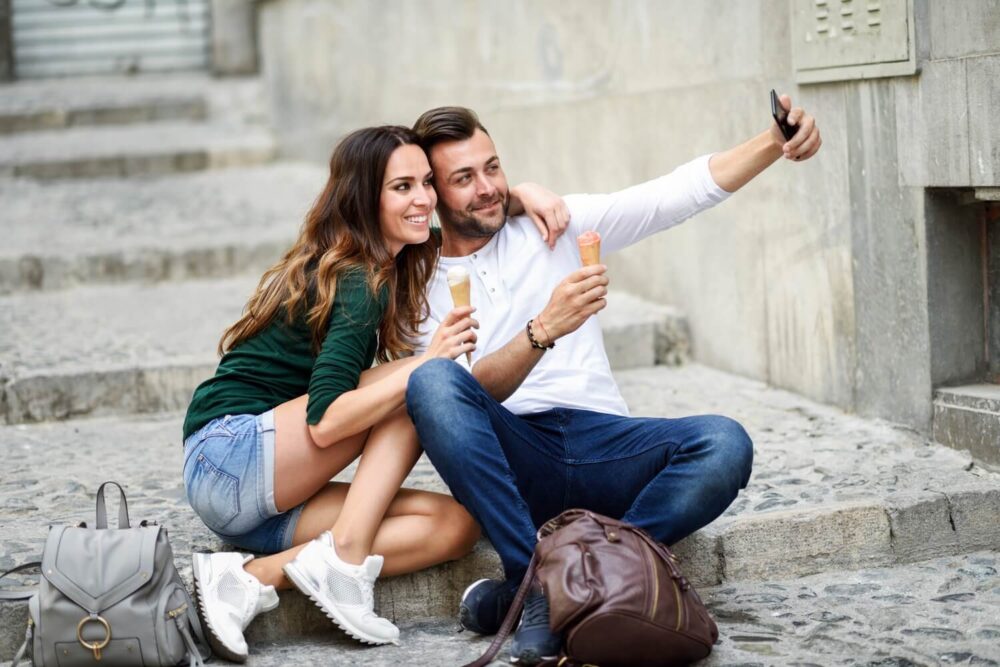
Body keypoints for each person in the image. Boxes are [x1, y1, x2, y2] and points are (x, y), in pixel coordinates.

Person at [404, 100, 821, 665]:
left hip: (606, 447)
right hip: (513, 460)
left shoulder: (555, 226)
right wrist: (543, 330)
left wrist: (774, 141)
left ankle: (541, 591)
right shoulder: (416, 284)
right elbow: (468, 398)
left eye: (494, 168)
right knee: (432, 383)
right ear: (432, 193)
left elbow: (670, 195)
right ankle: (537, 574)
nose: (488, 188)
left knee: (724, 443)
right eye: (464, 178)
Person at [181, 125, 566, 661]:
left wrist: (521, 194)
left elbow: (468, 221)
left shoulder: (389, 259)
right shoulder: (358, 280)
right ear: (366, 198)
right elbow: (326, 423)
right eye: (402, 187)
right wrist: (427, 365)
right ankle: (346, 558)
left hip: (267, 498)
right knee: (424, 379)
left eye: (427, 183)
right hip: (227, 454)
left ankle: (247, 578)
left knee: (453, 526)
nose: (424, 199)